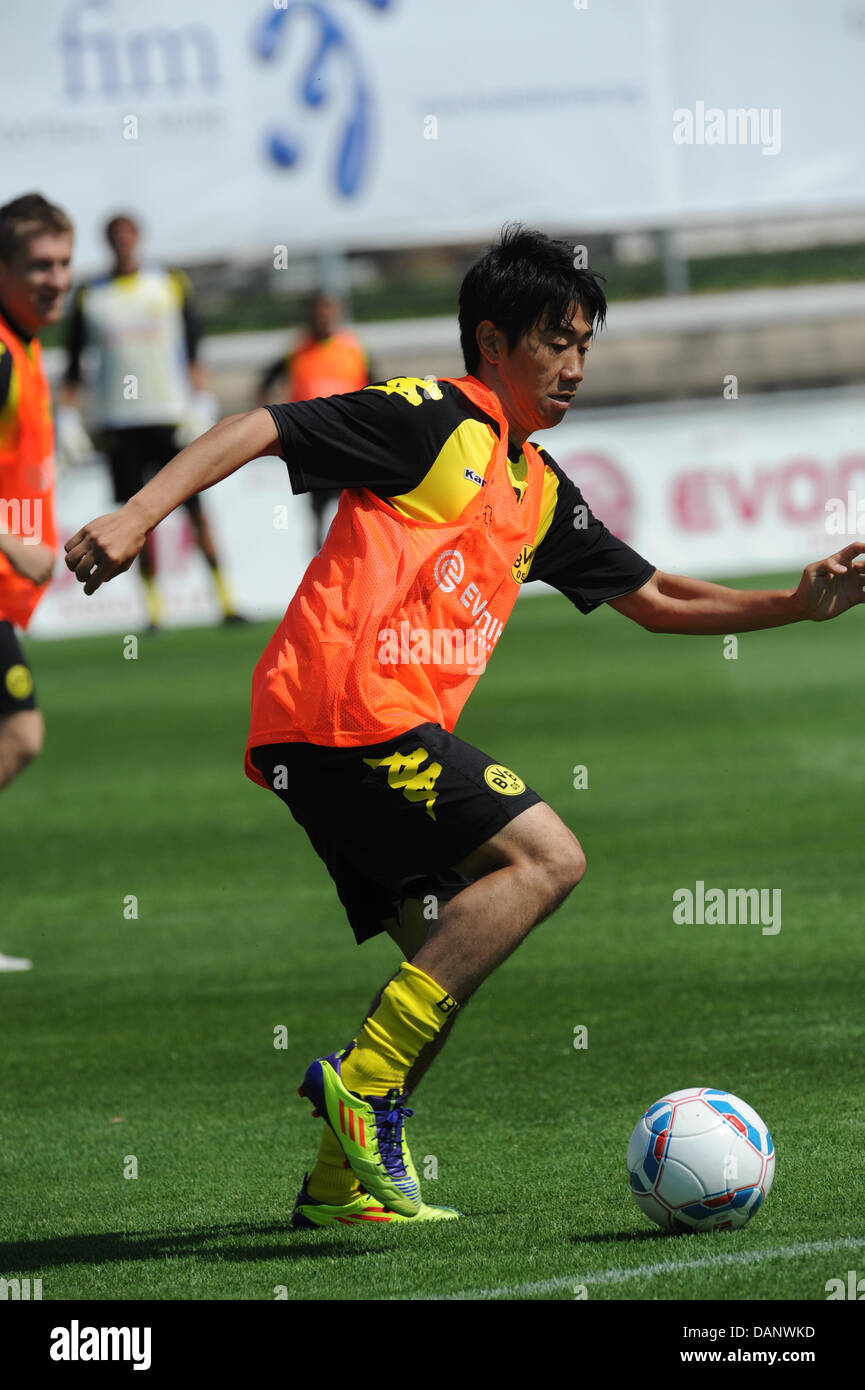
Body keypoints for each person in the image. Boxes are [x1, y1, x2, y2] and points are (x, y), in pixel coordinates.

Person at [64, 224, 865, 1225]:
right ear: (491, 341)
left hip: (340, 737)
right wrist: (138, 513)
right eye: (552, 341)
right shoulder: (432, 418)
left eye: (583, 344)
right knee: (549, 860)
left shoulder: (537, 490)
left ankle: (336, 1185)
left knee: (447, 948)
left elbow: (656, 595)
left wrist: (793, 604)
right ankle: (359, 1084)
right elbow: (260, 423)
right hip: (347, 712)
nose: (571, 365)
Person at [60, 213, 245, 630]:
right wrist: (68, 416)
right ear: (108, 242)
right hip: (119, 422)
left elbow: (195, 348)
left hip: (170, 417)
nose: (123, 243)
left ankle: (226, 600)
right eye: (115, 237)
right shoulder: (91, 293)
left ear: (138, 238)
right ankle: (154, 610)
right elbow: (74, 364)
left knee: (196, 508)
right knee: (133, 517)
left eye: (129, 235)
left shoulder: (169, 283)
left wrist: (202, 400)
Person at [0, 193, 74, 971]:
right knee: (20, 736)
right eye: (38, 266)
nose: (56, 279)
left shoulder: (22, 346)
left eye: (62, 263)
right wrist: (13, 541)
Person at [258, 290, 372, 552]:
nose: (325, 317)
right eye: (320, 311)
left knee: (355, 511)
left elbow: (376, 390)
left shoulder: (353, 350)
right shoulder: (297, 352)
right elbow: (265, 383)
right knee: (318, 516)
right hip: (313, 447)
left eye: (329, 310)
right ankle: (321, 566)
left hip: (349, 445)